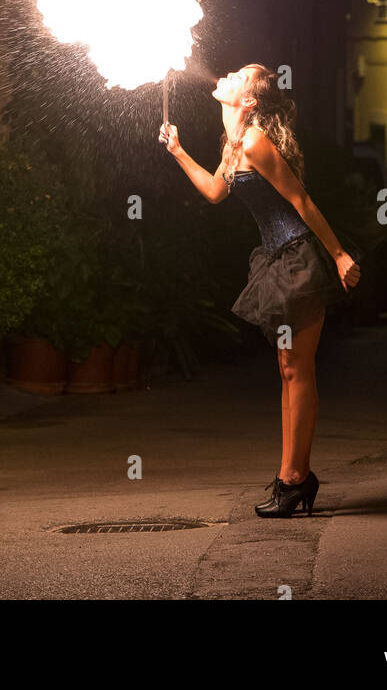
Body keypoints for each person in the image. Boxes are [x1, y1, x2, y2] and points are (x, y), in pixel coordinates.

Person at [159, 62, 361, 518]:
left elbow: (301, 201)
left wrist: (340, 255)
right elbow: (214, 192)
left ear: (249, 100)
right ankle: (292, 476)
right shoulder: (234, 146)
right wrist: (178, 150)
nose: (227, 75)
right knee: (288, 371)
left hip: (298, 259)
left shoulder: (254, 141)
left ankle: (295, 478)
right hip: (276, 261)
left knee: (298, 370)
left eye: (239, 76)